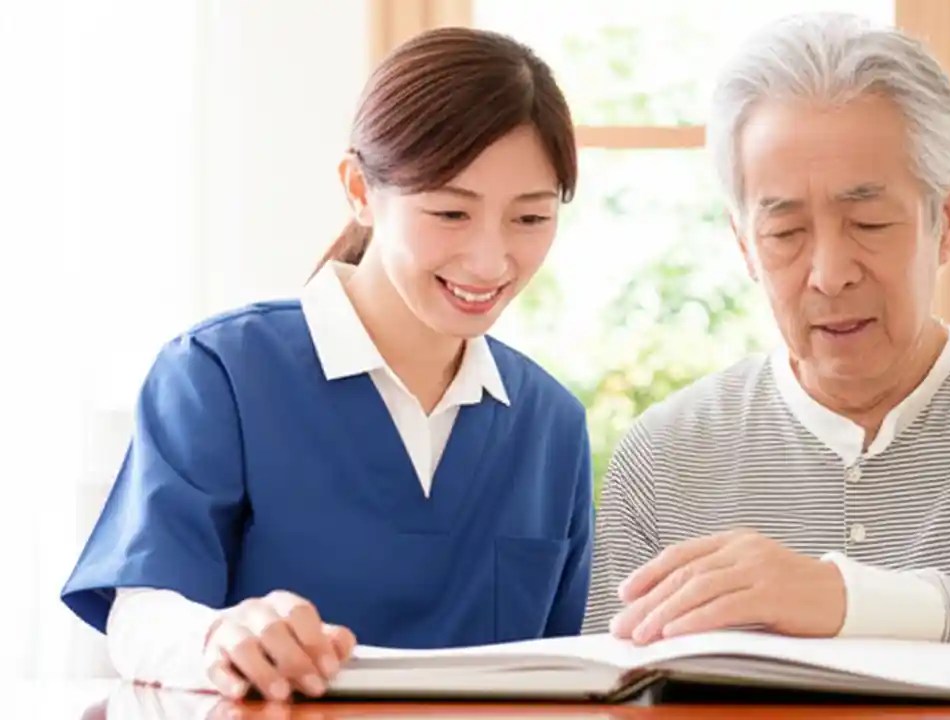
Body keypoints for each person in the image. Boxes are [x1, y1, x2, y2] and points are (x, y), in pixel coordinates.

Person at [586, 12, 950, 676]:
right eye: (785, 234)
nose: (830, 273)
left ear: (945, 220)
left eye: (868, 221)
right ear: (744, 244)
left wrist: (842, 599)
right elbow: (612, 682)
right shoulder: (665, 455)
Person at [61, 27, 593, 701]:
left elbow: (562, 672)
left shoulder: (551, 425)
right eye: (451, 212)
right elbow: (140, 616)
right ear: (359, 189)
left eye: (530, 218)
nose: (491, 262)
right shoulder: (221, 373)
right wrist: (223, 637)